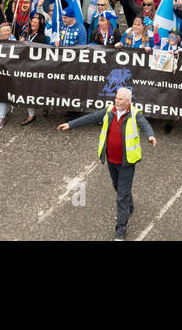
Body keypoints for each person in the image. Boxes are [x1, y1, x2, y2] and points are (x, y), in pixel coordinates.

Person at [58, 87, 157, 241]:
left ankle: (121, 230)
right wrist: (71, 124)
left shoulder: (135, 114)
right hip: (111, 160)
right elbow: (90, 118)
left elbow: (145, 126)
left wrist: (150, 136)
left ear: (128, 102)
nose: (117, 101)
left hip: (127, 163)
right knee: (118, 188)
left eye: (120, 99)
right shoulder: (109, 111)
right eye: (116, 98)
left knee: (121, 196)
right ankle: (129, 207)